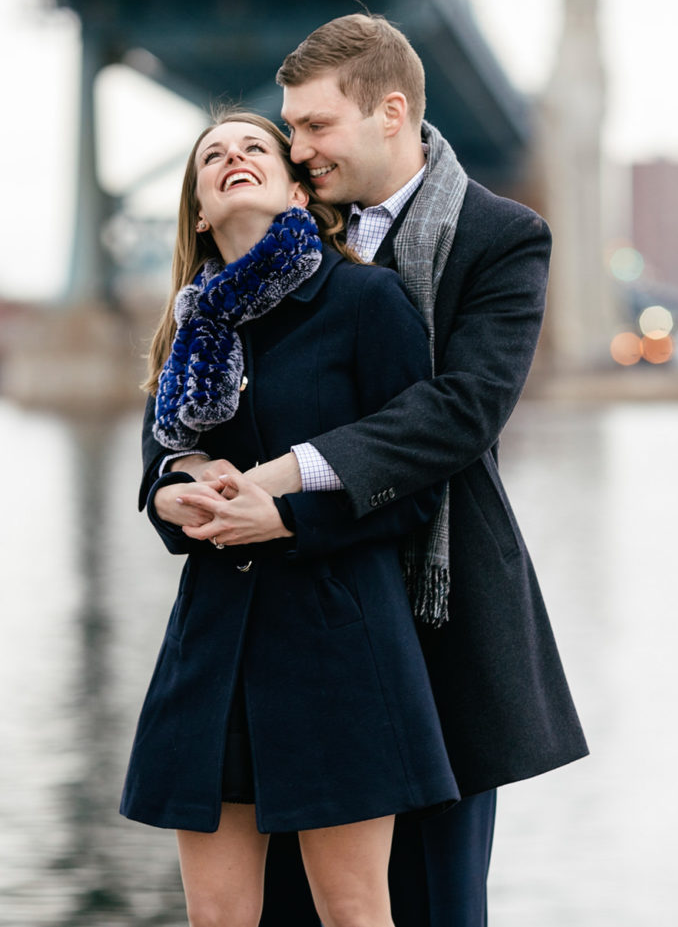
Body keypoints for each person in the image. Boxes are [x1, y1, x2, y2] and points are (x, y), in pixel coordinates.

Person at [140, 15, 589, 926]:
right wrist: (176, 485)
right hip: (282, 626)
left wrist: (281, 484)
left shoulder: (499, 238)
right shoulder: (275, 246)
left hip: (434, 608)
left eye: (311, 127)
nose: (293, 149)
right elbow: (191, 412)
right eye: (289, 129)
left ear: (391, 113)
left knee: (431, 902)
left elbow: (463, 409)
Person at [120, 110, 459, 927]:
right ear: (200, 209)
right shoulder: (185, 329)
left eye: (253, 149)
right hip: (214, 649)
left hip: (337, 644)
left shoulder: (366, 302)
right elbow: (160, 473)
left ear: (297, 186)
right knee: (218, 919)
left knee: (352, 913)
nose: (233, 157)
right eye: (212, 157)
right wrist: (169, 494)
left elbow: (415, 481)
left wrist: (287, 519)